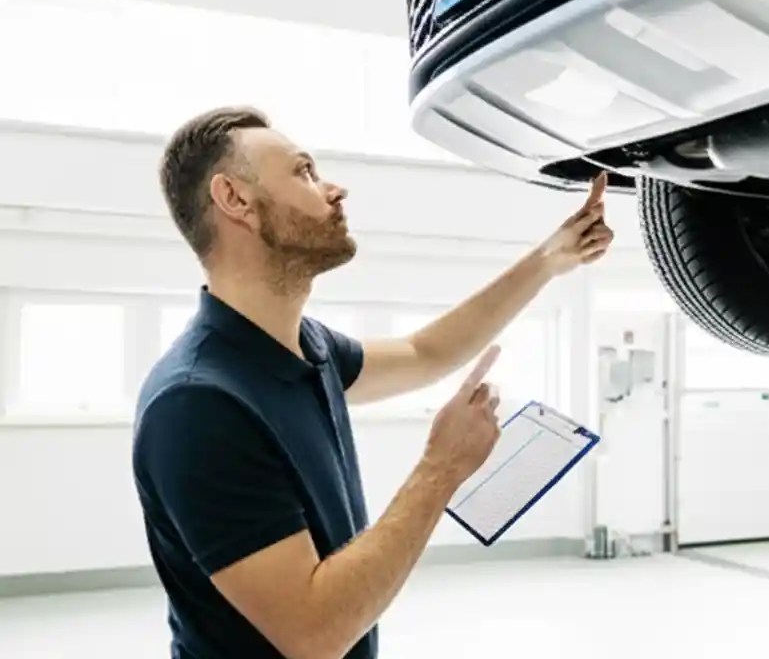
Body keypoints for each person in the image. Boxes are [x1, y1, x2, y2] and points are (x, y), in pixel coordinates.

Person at [131, 106, 614, 659]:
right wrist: (441, 468)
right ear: (234, 199)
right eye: (304, 172)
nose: (335, 189)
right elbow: (313, 636)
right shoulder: (197, 404)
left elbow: (426, 351)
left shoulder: (306, 346)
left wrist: (549, 260)